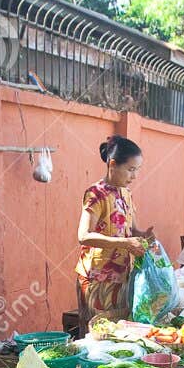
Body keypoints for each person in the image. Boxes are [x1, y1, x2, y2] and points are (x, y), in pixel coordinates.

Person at [76, 135, 154, 320]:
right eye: (130, 170)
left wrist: (145, 236)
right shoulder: (95, 194)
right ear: (112, 164)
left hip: (122, 277)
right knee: (98, 335)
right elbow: (84, 236)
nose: (134, 176)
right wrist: (126, 243)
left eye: (137, 170)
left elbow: (132, 230)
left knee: (118, 336)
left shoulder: (126, 194)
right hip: (98, 279)